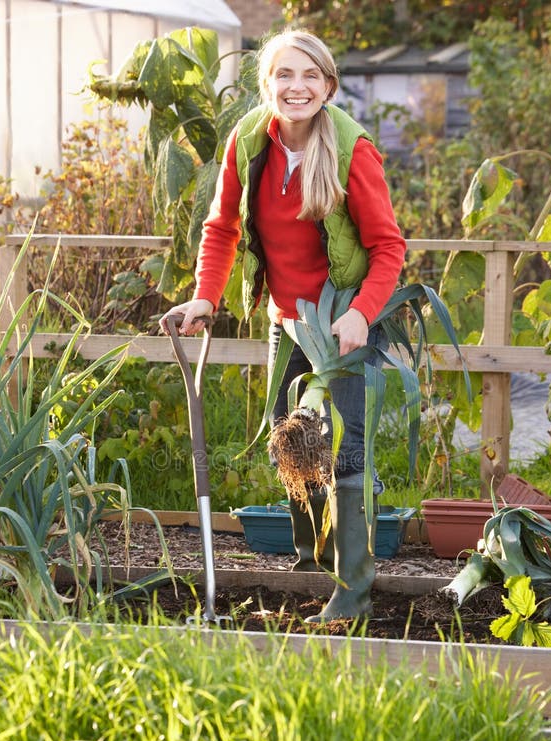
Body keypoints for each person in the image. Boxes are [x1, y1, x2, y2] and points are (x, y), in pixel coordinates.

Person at [160, 28, 406, 621]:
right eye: (283, 76)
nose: (296, 87)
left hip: (341, 314)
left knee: (344, 451)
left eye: (309, 76)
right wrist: (204, 298)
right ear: (266, 84)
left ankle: (353, 592)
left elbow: (388, 247)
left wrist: (359, 314)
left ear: (327, 85)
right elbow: (221, 229)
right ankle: (310, 556)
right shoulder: (247, 140)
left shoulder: (352, 148)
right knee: (289, 436)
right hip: (286, 315)